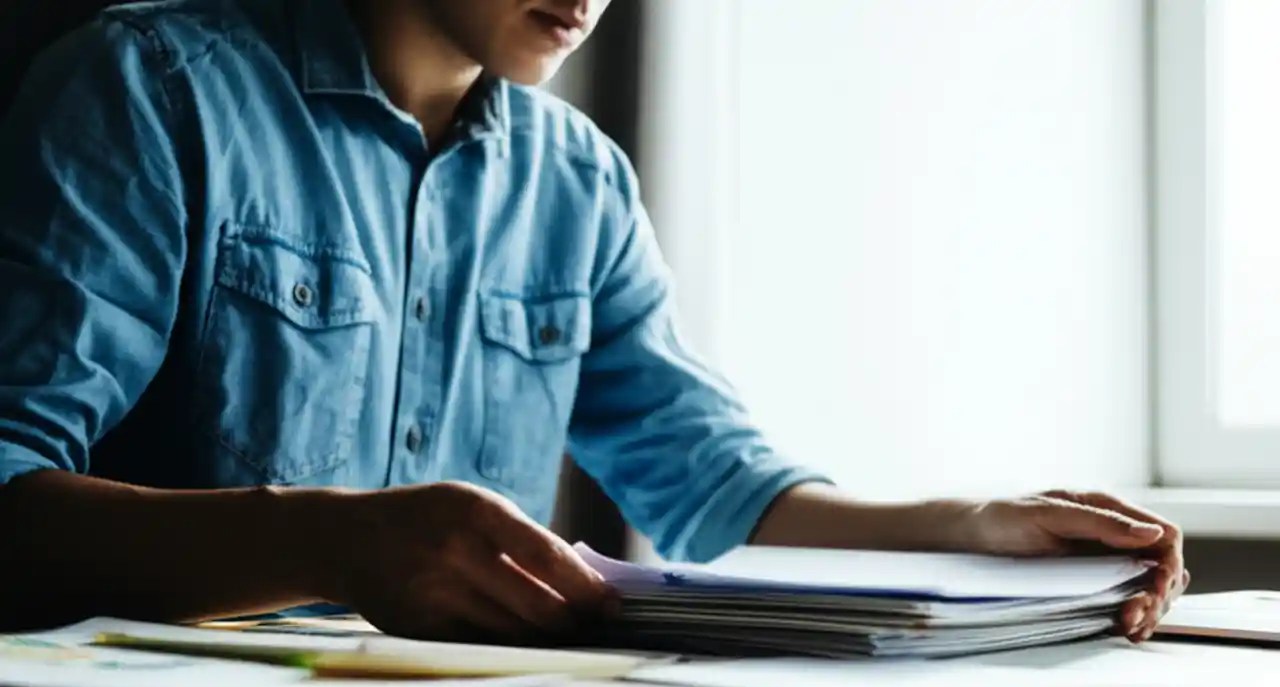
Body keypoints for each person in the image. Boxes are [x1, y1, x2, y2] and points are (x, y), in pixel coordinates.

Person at [0, 0, 1186, 644]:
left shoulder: (578, 179)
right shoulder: (148, 90)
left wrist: (971, 527)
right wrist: (328, 540)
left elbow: (715, 490)